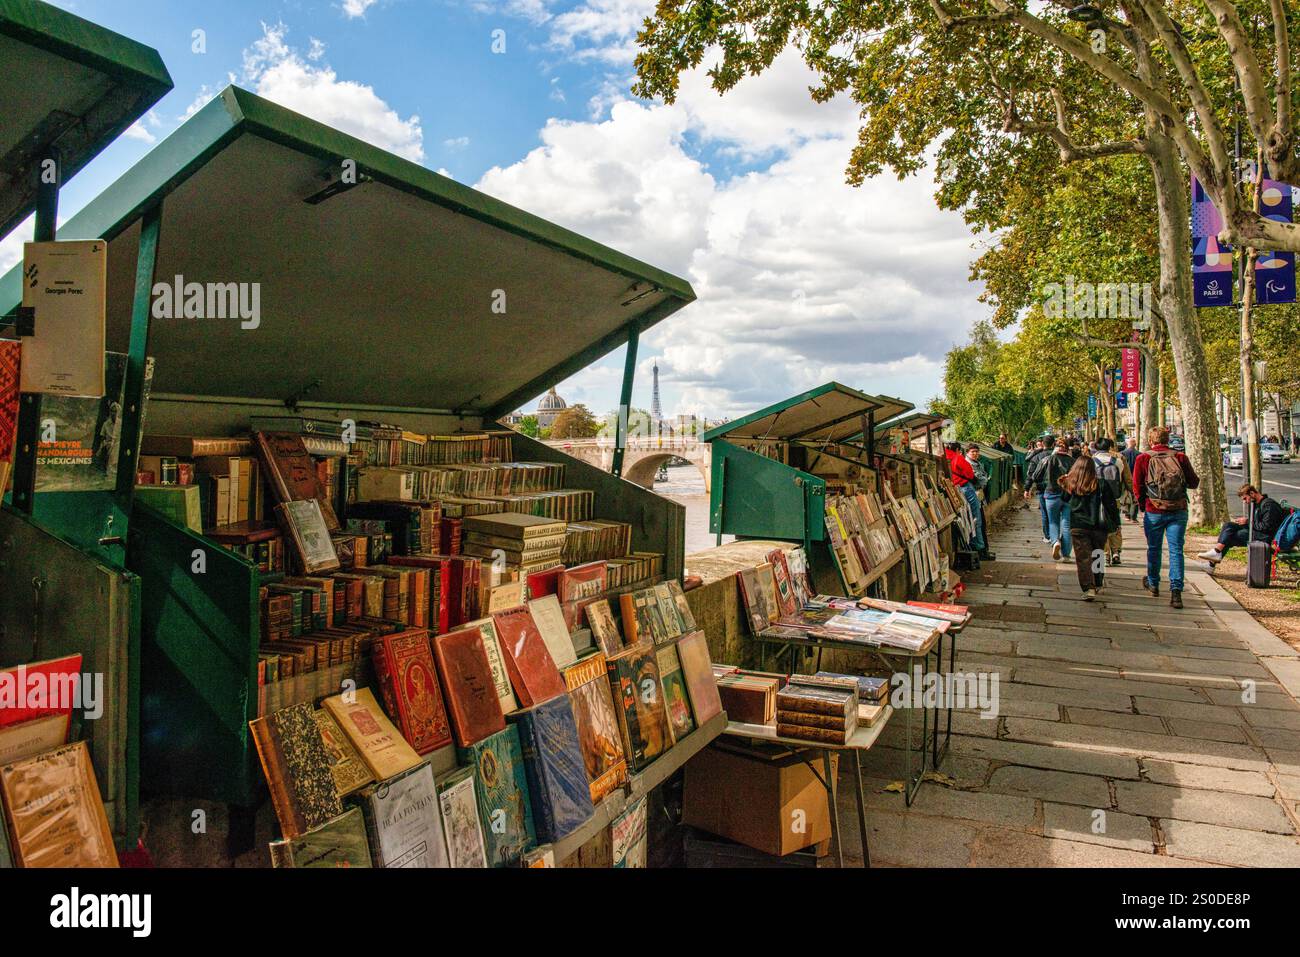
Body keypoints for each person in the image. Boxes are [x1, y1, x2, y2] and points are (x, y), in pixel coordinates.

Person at [1133, 425, 1200, 609]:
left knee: (1154, 548)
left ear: (1150, 440)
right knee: (1176, 550)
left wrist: (1141, 505)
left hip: (1153, 509)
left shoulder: (1143, 458)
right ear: (1168, 439)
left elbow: (1137, 486)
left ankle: (1153, 583)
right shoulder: (1180, 457)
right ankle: (1176, 591)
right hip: (1178, 509)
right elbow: (1194, 482)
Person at [1059, 452, 1121, 600]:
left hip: (1079, 525)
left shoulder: (1072, 483)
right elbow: (1111, 505)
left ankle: (1088, 588)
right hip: (1099, 526)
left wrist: (1066, 479)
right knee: (1098, 553)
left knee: (1083, 558)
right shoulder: (1101, 483)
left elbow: (1064, 498)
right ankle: (1098, 581)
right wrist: (1116, 523)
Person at [1197, 484, 1286, 565]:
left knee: (1231, 536)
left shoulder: (1268, 505)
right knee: (1228, 525)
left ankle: (1211, 563)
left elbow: (1266, 527)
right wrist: (1245, 522)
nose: (1245, 502)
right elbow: (1256, 523)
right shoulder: (1255, 504)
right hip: (1257, 530)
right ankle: (1216, 552)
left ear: (1252, 493)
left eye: (1245, 498)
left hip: (1266, 536)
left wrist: (1247, 522)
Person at [1042, 439, 1076, 561]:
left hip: (1051, 494)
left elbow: (1043, 476)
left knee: (1053, 522)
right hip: (1068, 495)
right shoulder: (1073, 461)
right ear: (1067, 449)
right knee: (1067, 525)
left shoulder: (1050, 459)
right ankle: (1066, 554)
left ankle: (1055, 541)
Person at [965, 443, 995, 560]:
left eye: (977, 452)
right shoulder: (968, 464)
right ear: (967, 452)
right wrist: (983, 480)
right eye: (973, 452)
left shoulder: (978, 463)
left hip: (979, 496)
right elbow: (981, 480)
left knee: (981, 523)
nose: (975, 454)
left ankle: (984, 548)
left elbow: (984, 479)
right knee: (977, 523)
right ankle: (980, 550)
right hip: (972, 495)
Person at [1024, 439, 1052, 540]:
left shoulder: (1036, 457)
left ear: (1042, 444)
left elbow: (1031, 474)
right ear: (1053, 444)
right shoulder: (1058, 456)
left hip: (1042, 488)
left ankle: (1047, 536)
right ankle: (1056, 536)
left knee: (1045, 512)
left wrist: (1027, 488)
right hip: (1057, 488)